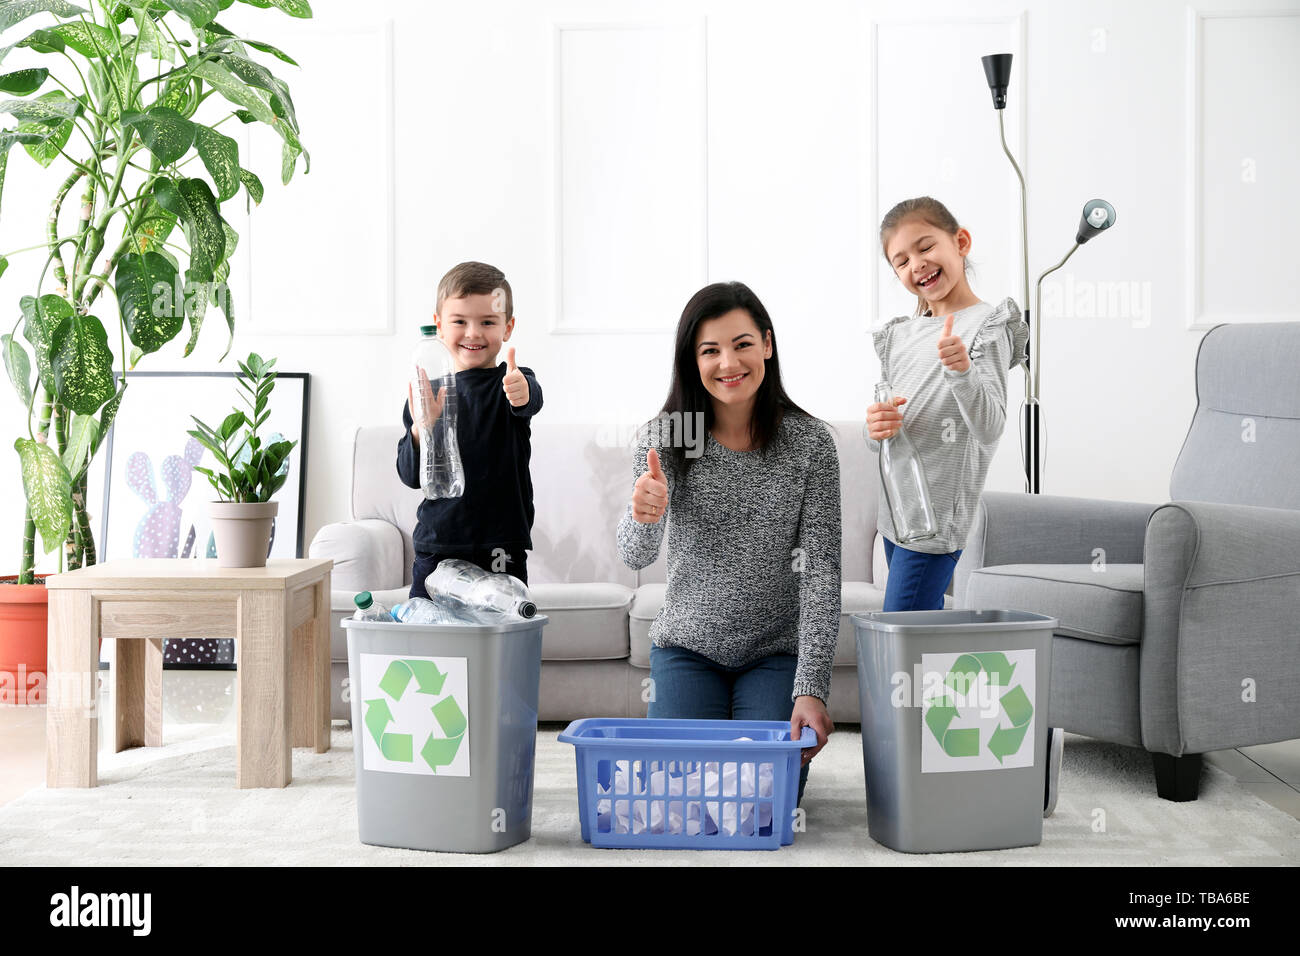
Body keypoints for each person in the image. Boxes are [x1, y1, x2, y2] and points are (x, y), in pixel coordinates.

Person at [616, 281, 840, 804]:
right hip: (688, 649)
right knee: (675, 791)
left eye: (741, 344)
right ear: (692, 361)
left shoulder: (810, 444)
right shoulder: (666, 437)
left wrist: (810, 687)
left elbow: (823, 570)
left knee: (763, 796)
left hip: (773, 655)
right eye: (710, 350)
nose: (728, 362)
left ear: (767, 344)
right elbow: (635, 554)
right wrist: (643, 515)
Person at [864, 197, 1029, 611]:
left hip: (937, 517)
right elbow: (882, 438)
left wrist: (961, 371)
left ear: (961, 242)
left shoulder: (986, 327)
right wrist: (875, 428)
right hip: (896, 512)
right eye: (900, 261)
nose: (916, 264)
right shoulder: (900, 336)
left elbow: (990, 426)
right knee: (917, 642)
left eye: (925, 247)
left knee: (900, 636)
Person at [396, 261, 543, 597]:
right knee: (432, 639)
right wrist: (421, 427)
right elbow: (408, 475)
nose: (474, 333)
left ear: (507, 328)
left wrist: (521, 391)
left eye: (487, 322)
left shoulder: (513, 382)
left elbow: (530, 398)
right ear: (439, 326)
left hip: (501, 544)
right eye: (460, 321)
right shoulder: (426, 393)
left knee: (501, 636)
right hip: (438, 542)